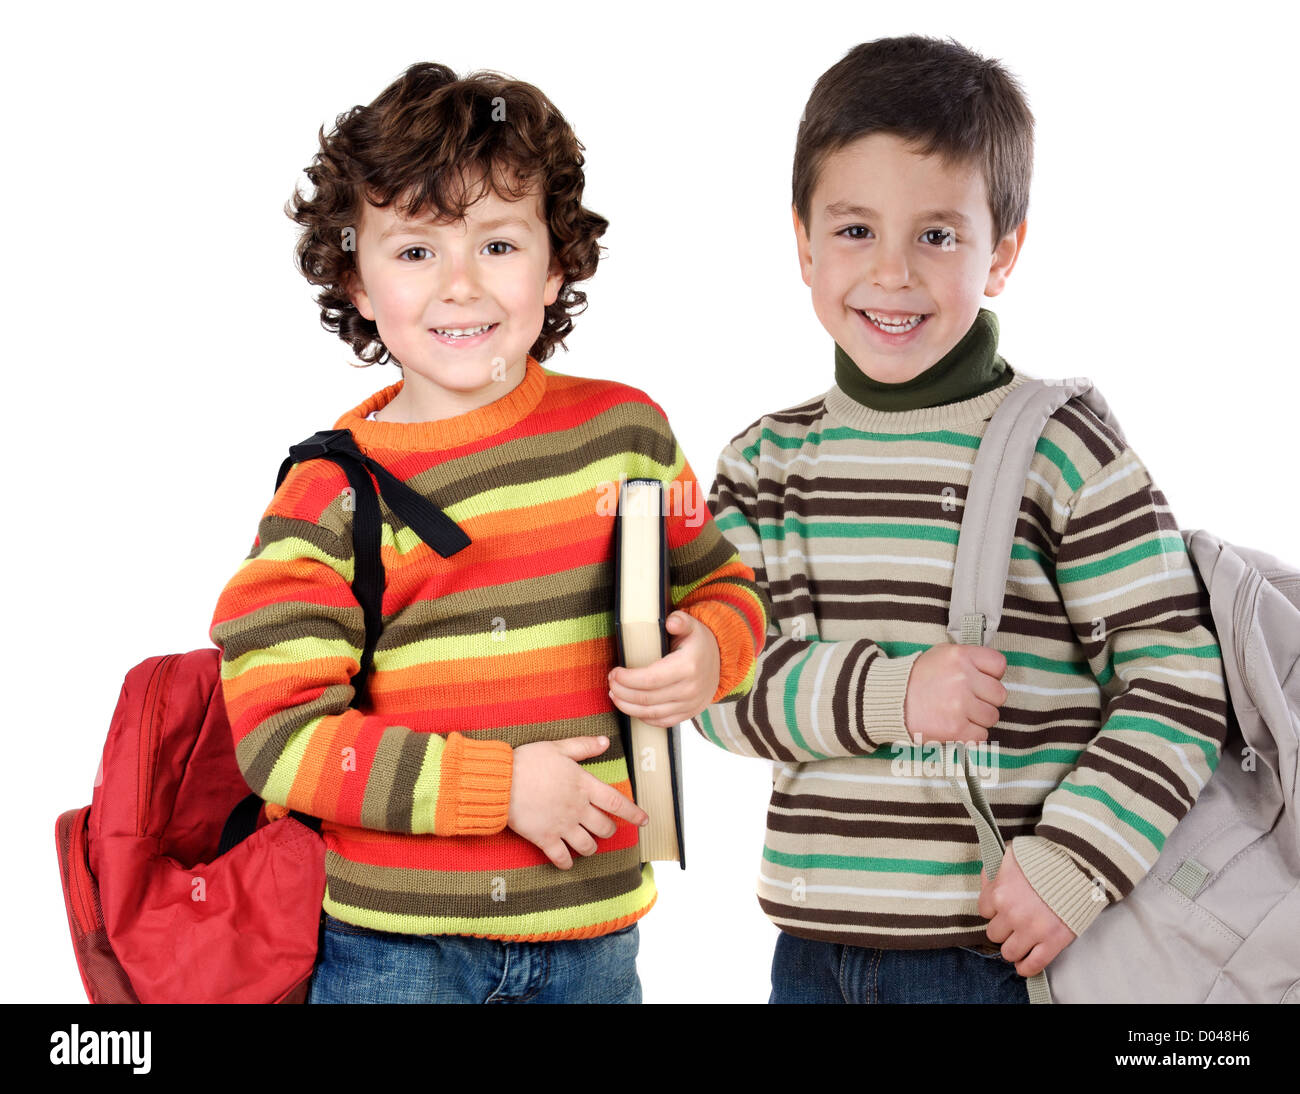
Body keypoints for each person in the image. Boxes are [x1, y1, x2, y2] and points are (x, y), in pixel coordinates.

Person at [675, 35, 1228, 1004]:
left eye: (936, 235)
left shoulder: (1061, 448)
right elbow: (718, 686)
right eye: (853, 231)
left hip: (999, 960)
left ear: (1002, 252)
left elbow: (1175, 676)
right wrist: (895, 697)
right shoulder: (761, 462)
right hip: (806, 952)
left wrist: (1073, 863)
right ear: (801, 241)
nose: (891, 273)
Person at [208, 61, 767, 1005]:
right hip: (393, 952)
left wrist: (711, 655)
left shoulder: (624, 436)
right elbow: (279, 733)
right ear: (357, 274)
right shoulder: (329, 492)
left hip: (593, 939)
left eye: (498, 246)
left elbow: (724, 588)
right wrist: (496, 790)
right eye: (416, 251)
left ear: (556, 265)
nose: (460, 287)